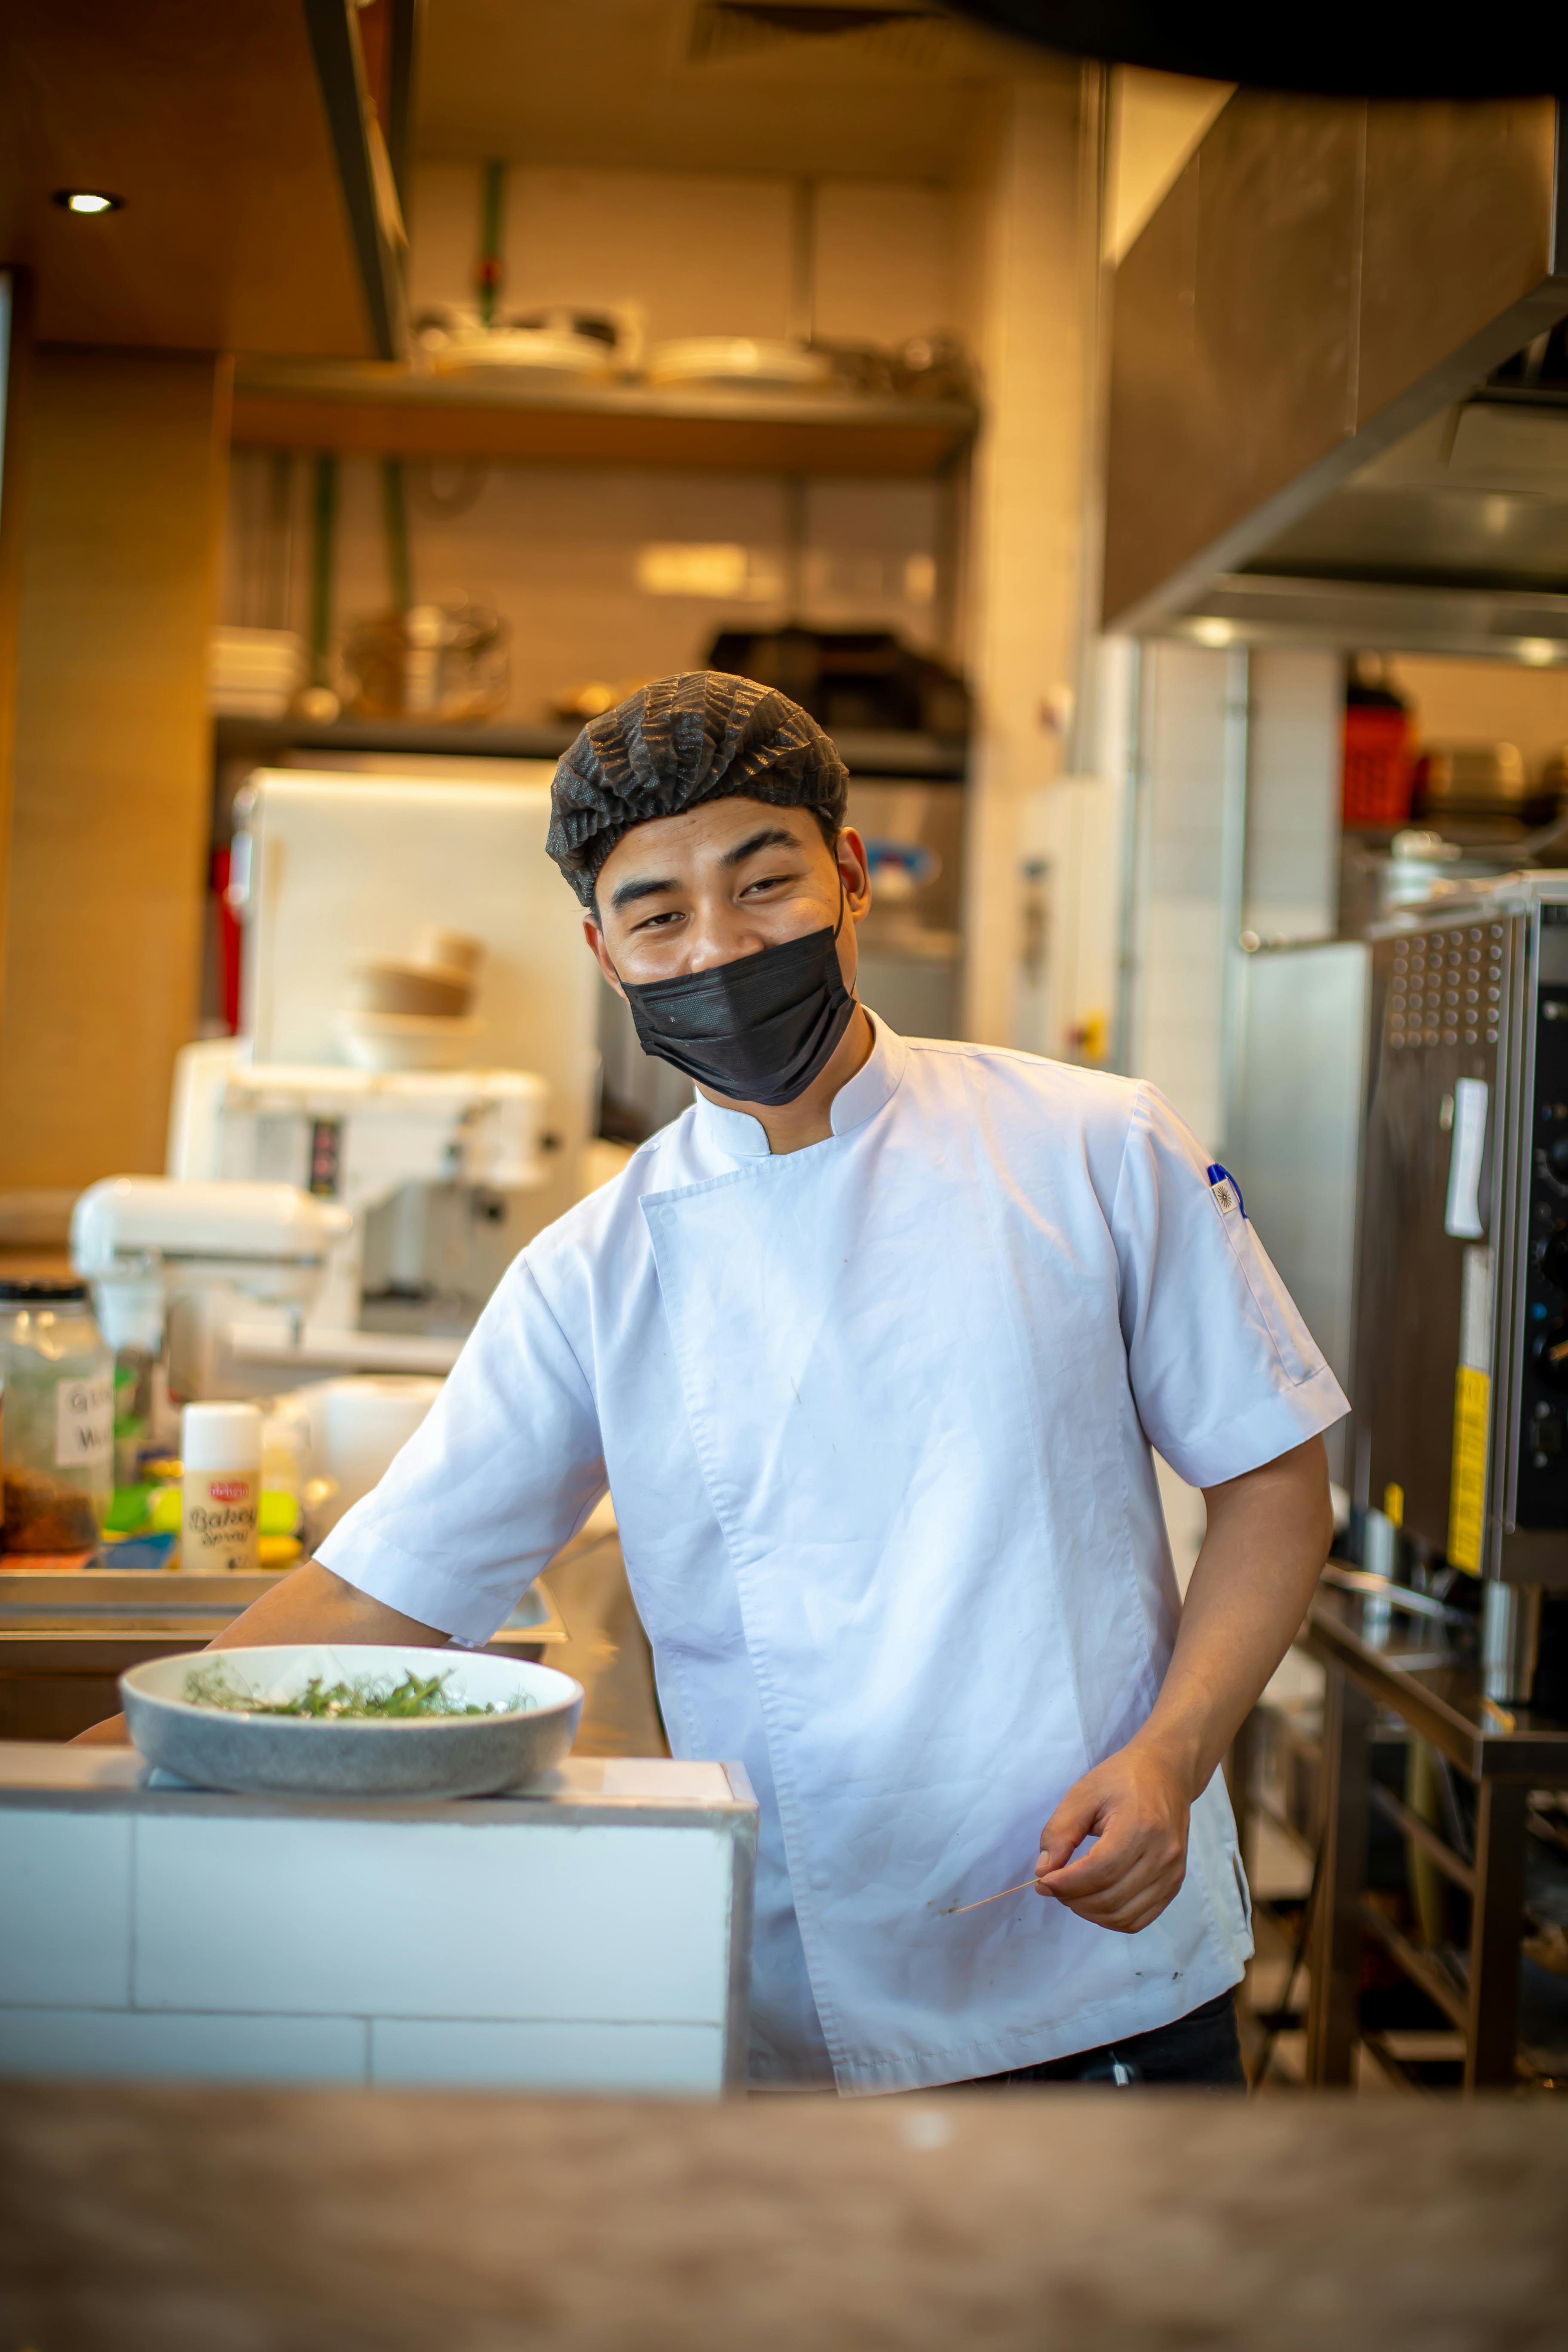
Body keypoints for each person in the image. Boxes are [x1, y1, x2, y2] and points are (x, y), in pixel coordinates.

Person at [80, 670, 1342, 2094]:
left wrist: (1177, 1755)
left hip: (1104, 1960)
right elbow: (387, 1593)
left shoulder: (1092, 1147)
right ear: (604, 954)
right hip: (804, 1996)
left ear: (850, 876)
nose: (721, 945)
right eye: (660, 914)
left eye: (764, 885)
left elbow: (1275, 1487)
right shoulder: (596, 1270)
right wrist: (87, 1772)